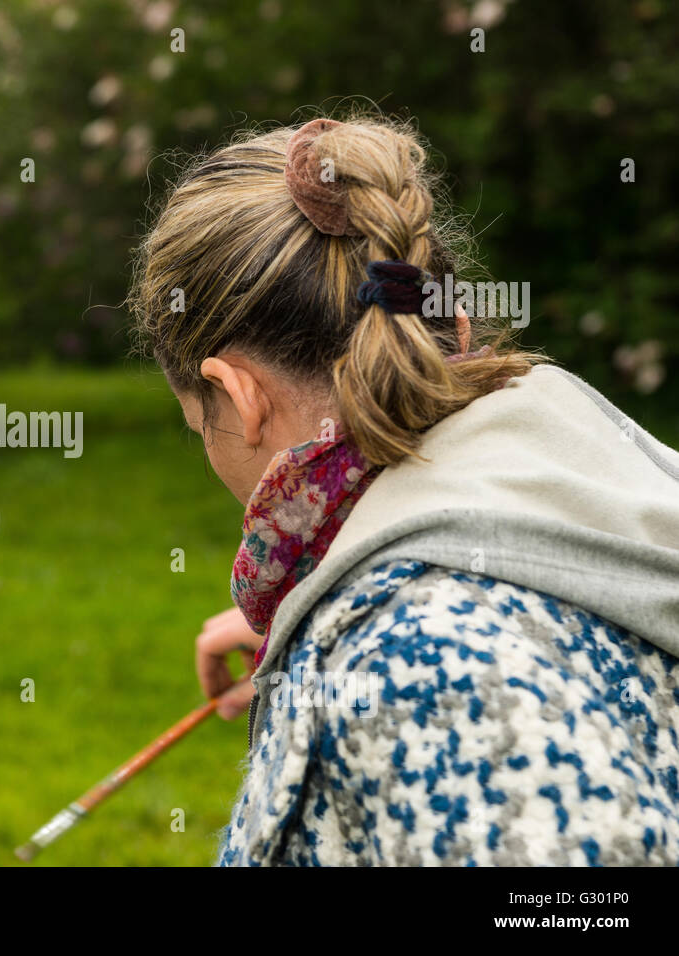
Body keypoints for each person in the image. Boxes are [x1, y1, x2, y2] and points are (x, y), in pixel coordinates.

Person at [128, 113, 679, 865]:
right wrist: (325, 612)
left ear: (239, 395)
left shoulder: (422, 661)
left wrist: (373, 643)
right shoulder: (585, 468)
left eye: (200, 424)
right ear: (452, 324)